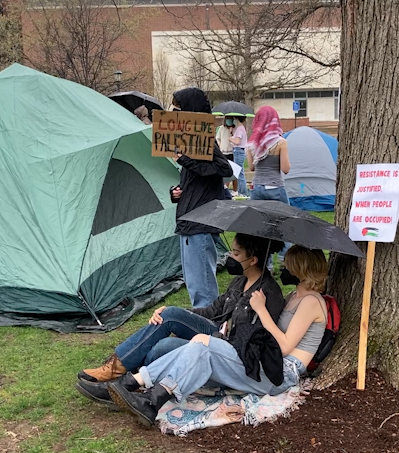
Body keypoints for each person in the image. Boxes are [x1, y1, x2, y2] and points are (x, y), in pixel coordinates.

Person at [83, 245, 329, 428]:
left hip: (281, 373)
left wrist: (261, 310)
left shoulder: (310, 302)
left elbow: (285, 346)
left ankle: (146, 398)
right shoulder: (294, 297)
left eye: (288, 265)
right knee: (198, 344)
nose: (283, 268)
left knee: (202, 345)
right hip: (267, 362)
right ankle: (127, 386)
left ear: (301, 270)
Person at [76, 234, 285, 396]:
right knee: (166, 329)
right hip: (215, 333)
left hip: (229, 349)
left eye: (236, 253)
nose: (230, 257)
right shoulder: (239, 281)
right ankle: (121, 378)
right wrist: (180, 314)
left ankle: (121, 377)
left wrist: (260, 309)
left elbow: (262, 340)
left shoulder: (268, 293)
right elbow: (213, 311)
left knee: (166, 335)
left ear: (253, 259)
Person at [168, 88, 233, 308]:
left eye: (178, 108)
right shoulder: (190, 141)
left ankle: (208, 331)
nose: (175, 111)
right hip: (189, 219)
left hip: (201, 223)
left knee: (202, 287)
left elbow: (224, 168)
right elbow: (195, 178)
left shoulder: (204, 139)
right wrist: (177, 192)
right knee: (195, 283)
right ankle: (204, 326)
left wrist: (184, 160)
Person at [246, 106, 291, 271]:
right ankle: (285, 262)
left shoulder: (252, 143)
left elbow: (251, 167)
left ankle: (266, 266)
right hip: (276, 188)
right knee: (285, 225)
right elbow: (285, 169)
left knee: (261, 228)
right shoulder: (281, 142)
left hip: (257, 188)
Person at [228, 116, 248, 196]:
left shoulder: (240, 129)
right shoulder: (239, 128)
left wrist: (230, 139)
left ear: (237, 119)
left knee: (239, 173)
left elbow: (237, 141)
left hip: (238, 151)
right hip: (238, 151)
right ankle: (242, 192)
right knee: (240, 172)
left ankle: (242, 193)